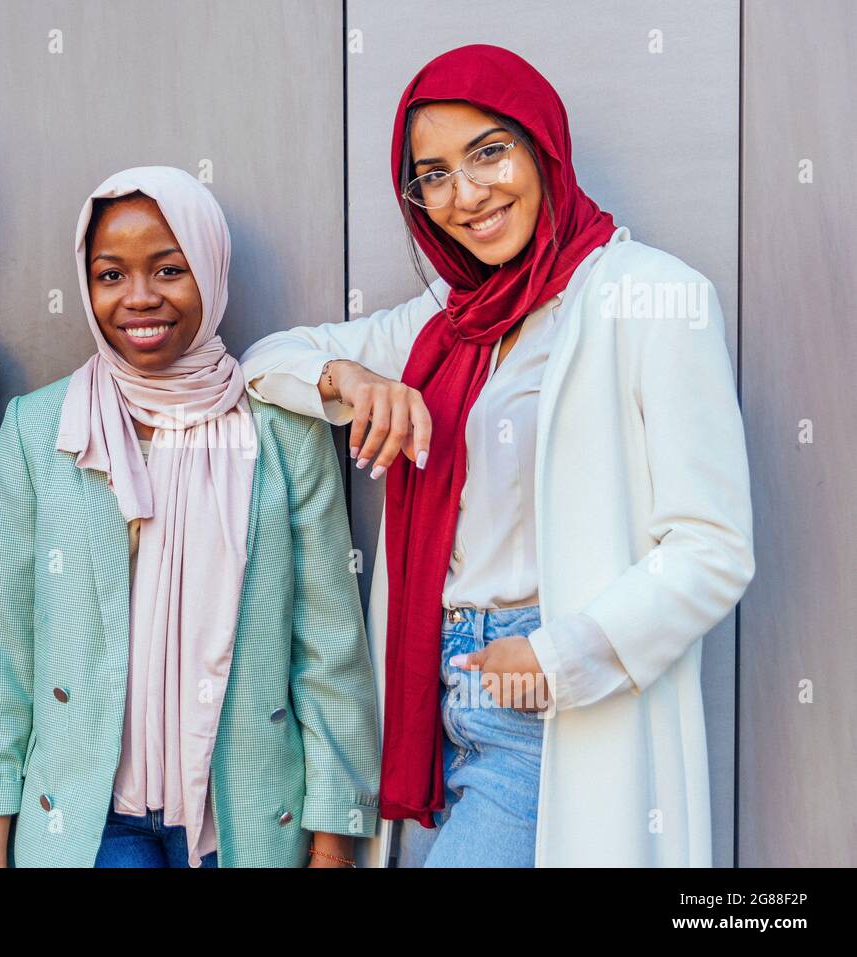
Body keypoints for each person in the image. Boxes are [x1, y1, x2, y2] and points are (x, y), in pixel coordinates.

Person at [239, 44, 754, 866]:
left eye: (489, 153)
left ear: (543, 145)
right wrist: (354, 378)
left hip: (550, 707)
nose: (465, 195)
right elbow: (265, 362)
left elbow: (711, 547)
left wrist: (555, 656)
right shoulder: (447, 320)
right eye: (432, 174)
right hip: (432, 702)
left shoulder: (651, 298)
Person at [0, 166, 379, 867]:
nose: (139, 297)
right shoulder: (41, 427)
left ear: (209, 271)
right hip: (91, 820)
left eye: (169, 269)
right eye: (111, 274)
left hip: (242, 813)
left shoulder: (282, 431)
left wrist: (333, 842)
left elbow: (329, 648)